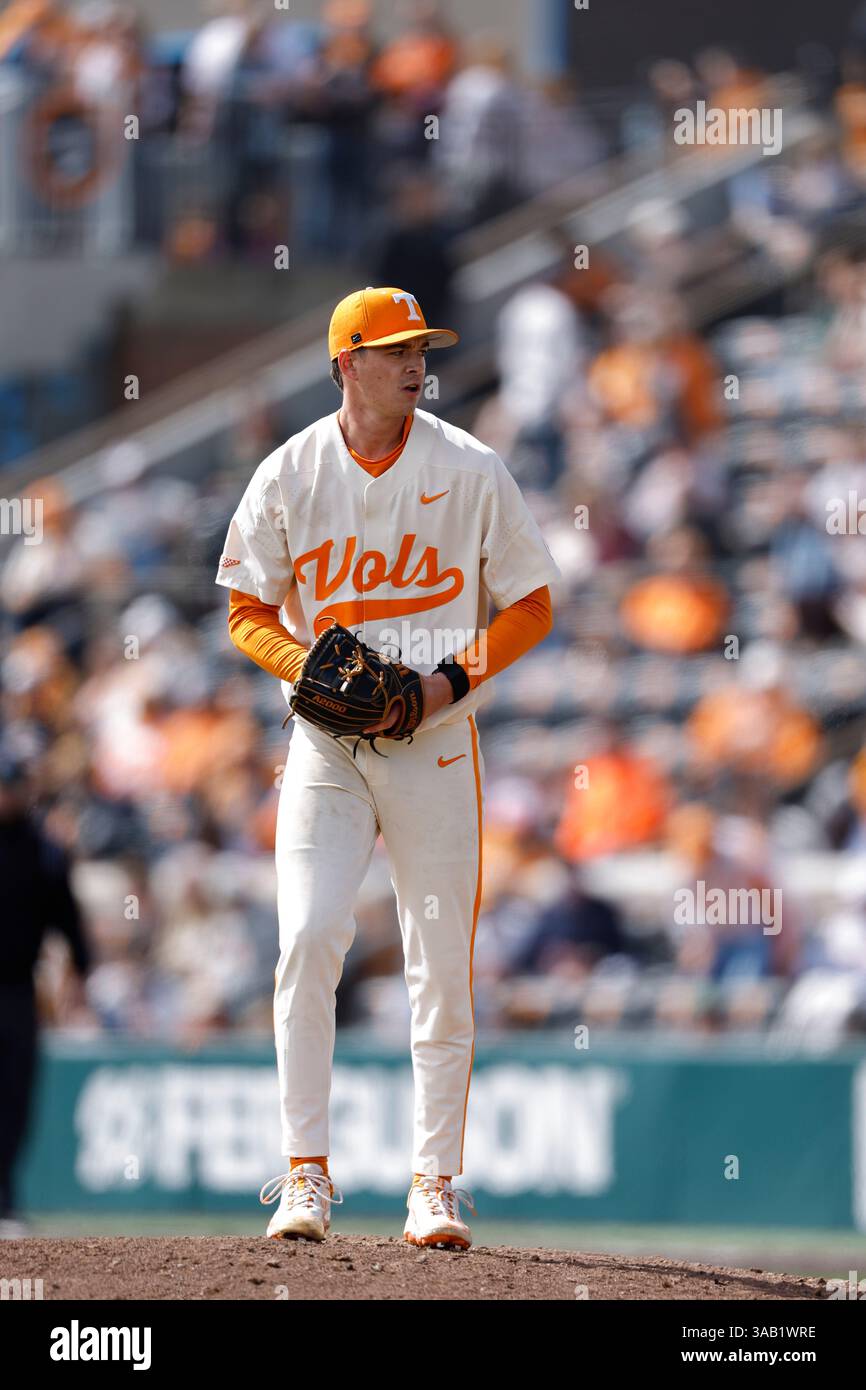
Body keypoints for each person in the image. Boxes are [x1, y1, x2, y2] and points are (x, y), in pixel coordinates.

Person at [215, 286, 561, 1248]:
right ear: (346, 362)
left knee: (439, 968)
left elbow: (531, 603)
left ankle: (434, 1184)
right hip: (328, 747)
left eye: (422, 347)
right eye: (395, 348)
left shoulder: (470, 465)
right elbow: (246, 608)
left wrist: (447, 681)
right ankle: (304, 1176)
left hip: (436, 744)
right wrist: (307, 664)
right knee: (309, 939)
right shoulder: (290, 472)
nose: (415, 362)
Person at [0, 752, 90, 1237]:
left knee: (14, 1097)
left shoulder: (39, 849)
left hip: (16, 990)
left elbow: (66, 916)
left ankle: (4, 1200)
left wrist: (80, 968)